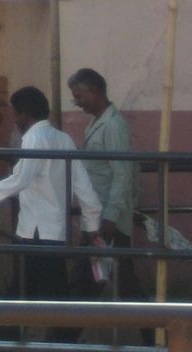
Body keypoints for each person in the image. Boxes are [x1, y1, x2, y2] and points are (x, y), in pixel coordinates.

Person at [0, 84, 101, 334]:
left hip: (36, 230)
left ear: (25, 114)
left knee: (39, 293)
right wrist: (92, 223)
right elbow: (83, 184)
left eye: (16, 115)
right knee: (31, 289)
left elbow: (18, 180)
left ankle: (51, 337)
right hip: (53, 229)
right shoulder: (63, 138)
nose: (15, 121)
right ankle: (17, 336)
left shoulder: (34, 138)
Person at [68, 67, 141, 300]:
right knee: (118, 279)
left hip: (108, 218)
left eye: (79, 96)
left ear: (95, 91)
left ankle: (65, 334)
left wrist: (110, 217)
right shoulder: (96, 122)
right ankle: (153, 330)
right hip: (98, 212)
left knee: (87, 279)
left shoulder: (112, 125)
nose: (76, 102)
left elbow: (123, 174)